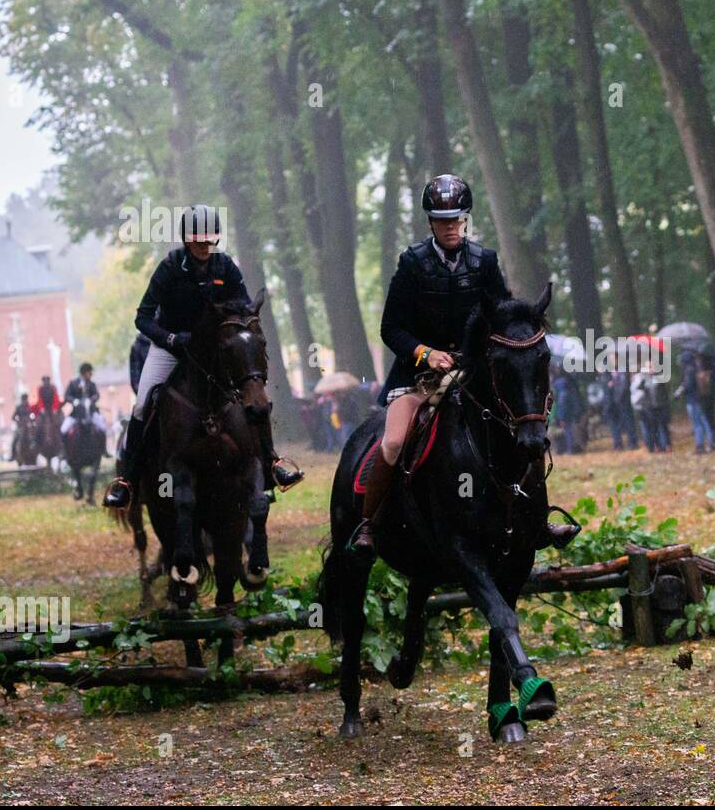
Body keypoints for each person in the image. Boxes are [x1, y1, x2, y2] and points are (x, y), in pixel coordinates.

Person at [349, 173, 578, 554]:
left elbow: (503, 314)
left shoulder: (485, 261)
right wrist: (425, 352)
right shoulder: (411, 264)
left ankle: (537, 521)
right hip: (419, 375)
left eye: (456, 219)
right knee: (391, 442)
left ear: (465, 219)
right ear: (430, 223)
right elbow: (391, 328)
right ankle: (370, 525)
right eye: (442, 221)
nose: (450, 227)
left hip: (471, 372)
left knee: (525, 435)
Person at [103, 204, 303, 508]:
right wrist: (171, 338)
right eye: (199, 241)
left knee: (253, 395)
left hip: (215, 351)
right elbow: (142, 318)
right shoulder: (169, 268)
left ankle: (271, 464)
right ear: (186, 240)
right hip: (171, 348)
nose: (205, 247)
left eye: (210, 241)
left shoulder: (225, 267)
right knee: (143, 402)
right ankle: (127, 481)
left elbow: (245, 309)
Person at [675, 350, 715, 454]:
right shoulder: (696, 368)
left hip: (693, 400)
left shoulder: (689, 371)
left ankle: (700, 446)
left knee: (698, 423)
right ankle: (711, 442)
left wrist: (680, 392)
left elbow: (688, 385)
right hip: (699, 399)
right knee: (704, 421)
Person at [61, 362, 110, 445]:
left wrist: (91, 400)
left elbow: (97, 395)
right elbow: (67, 396)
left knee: (103, 428)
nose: (91, 374)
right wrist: (74, 401)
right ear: (84, 372)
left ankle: (104, 449)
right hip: (76, 414)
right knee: (63, 429)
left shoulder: (92, 384)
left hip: (91, 412)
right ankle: (64, 451)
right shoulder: (73, 383)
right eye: (89, 372)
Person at [10, 393, 31, 462]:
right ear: (22, 400)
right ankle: (13, 455)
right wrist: (18, 422)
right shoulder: (18, 407)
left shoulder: (29, 407)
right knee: (14, 440)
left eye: (26, 399)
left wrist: (31, 421)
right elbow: (13, 417)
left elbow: (32, 415)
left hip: (29, 425)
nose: (25, 401)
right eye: (24, 400)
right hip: (20, 426)